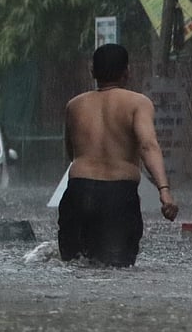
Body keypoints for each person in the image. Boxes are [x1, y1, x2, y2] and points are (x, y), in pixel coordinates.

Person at [58, 43, 178, 266]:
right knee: (117, 270)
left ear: (92, 71)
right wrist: (164, 190)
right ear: (127, 72)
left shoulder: (74, 106)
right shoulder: (138, 103)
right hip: (118, 194)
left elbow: (70, 152)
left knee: (73, 266)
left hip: (78, 191)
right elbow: (148, 145)